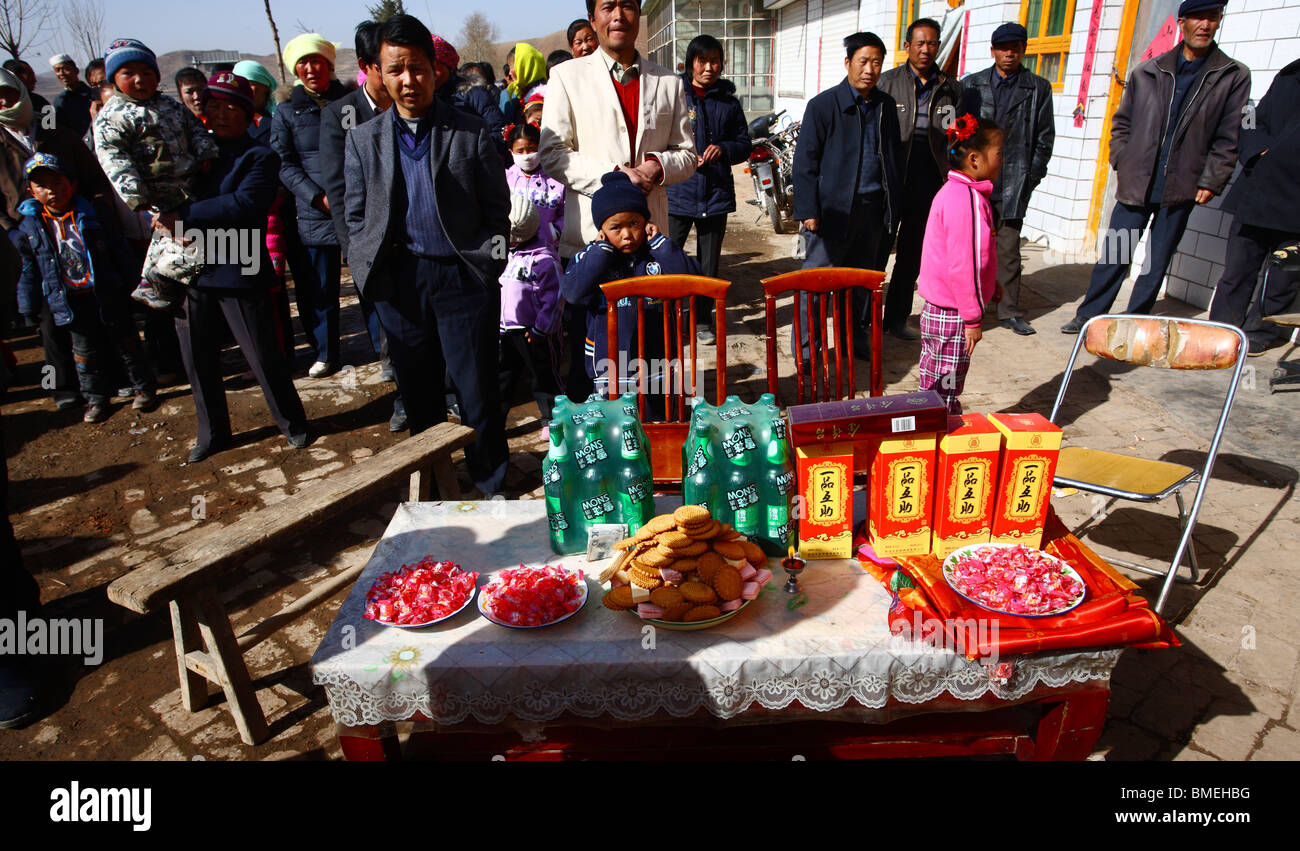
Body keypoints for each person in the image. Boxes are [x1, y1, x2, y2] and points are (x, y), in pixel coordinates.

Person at [343, 13, 511, 495]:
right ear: (377, 71)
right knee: (419, 396)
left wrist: (488, 267)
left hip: (463, 280)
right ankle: (433, 488)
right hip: (401, 284)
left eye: (417, 67)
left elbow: (497, 211)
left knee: (477, 391)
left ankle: (490, 483)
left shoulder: (470, 131)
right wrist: (368, 274)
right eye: (396, 69)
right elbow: (356, 219)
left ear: (434, 69)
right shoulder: (364, 141)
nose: (408, 80)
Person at [540, 0, 696, 402]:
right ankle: (595, 448)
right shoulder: (566, 77)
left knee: (654, 361)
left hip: (649, 247)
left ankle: (655, 439)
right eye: (608, 6)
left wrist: (656, 166)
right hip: (593, 243)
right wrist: (613, 177)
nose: (618, 16)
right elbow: (553, 152)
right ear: (593, 17)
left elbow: (687, 152)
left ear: (639, 14)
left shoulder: (667, 81)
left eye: (627, 5)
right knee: (591, 364)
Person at [1062, 0, 1249, 333]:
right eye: (1197, 18)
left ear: (1219, 21)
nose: (1205, 25)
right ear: (1182, 22)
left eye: (1212, 17)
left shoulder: (1230, 76)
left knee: (1157, 260)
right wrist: (1122, 157)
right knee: (1115, 253)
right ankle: (1090, 313)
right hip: (1136, 181)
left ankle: (1137, 319)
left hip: (1182, 183)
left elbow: (1228, 135)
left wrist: (1213, 178)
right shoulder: (1148, 70)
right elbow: (1121, 123)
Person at [173, 71, 308, 463]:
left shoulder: (260, 156)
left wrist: (181, 214)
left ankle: (291, 422)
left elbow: (244, 205)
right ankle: (211, 432)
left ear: (248, 114)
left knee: (262, 354)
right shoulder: (194, 155)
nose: (220, 113)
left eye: (231, 107)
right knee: (197, 358)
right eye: (213, 105)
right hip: (192, 263)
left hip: (240, 257)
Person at [2, 66, 122, 409]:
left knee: (94, 313)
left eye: (9, 95)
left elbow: (95, 177)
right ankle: (61, 388)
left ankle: (109, 380)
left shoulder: (56, 131)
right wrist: (11, 230)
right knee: (48, 323)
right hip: (31, 239)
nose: (4, 103)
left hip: (75, 232)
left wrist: (97, 211)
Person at [13, 153, 156, 422]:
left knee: (127, 343)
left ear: (73, 183)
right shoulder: (31, 227)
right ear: (30, 191)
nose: (52, 190)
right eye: (41, 185)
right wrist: (27, 306)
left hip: (105, 292)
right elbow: (29, 270)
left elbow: (119, 251)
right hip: (69, 300)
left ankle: (143, 387)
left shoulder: (93, 215)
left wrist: (136, 285)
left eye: (58, 182)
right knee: (84, 353)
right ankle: (96, 399)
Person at [791, 31, 902, 359]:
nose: (870, 69)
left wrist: (893, 207)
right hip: (832, 212)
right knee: (815, 285)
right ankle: (808, 352)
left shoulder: (885, 107)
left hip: (872, 210)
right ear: (848, 63)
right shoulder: (824, 105)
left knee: (860, 285)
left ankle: (854, 341)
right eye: (863, 61)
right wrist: (808, 209)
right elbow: (805, 162)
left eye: (877, 62)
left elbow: (893, 157)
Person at [93, 38, 220, 310]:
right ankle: (161, 280)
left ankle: (150, 282)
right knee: (183, 241)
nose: (140, 80)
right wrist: (137, 196)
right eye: (129, 74)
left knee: (172, 239)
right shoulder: (112, 117)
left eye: (147, 73)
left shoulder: (170, 106)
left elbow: (195, 128)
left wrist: (206, 151)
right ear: (114, 78)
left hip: (189, 183)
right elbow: (114, 159)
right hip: (157, 190)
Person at [319, 20, 403, 430]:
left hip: (418, 238)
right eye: (389, 66)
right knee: (392, 322)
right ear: (370, 66)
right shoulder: (342, 115)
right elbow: (339, 191)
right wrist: (354, 248)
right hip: (374, 240)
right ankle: (405, 396)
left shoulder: (414, 104)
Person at [561, 171, 699, 400]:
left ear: (646, 221)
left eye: (634, 223)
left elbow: (693, 281)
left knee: (656, 418)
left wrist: (660, 244)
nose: (627, 234)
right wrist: (599, 253)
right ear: (602, 230)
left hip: (656, 361)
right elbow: (573, 293)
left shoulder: (656, 255)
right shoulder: (591, 257)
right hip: (608, 364)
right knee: (613, 425)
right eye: (616, 227)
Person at [960, 23, 1054, 336]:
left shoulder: (1038, 88)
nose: (1009, 53)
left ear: (1024, 50)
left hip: (1012, 182)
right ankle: (966, 305)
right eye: (1003, 47)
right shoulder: (972, 86)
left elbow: (1044, 138)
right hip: (976, 182)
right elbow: (957, 132)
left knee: (1009, 252)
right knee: (969, 248)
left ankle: (1009, 311)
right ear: (993, 51)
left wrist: (1030, 176)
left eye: (1015, 47)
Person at [878, 18, 964, 341]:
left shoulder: (951, 89)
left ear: (938, 46)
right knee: (878, 252)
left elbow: (956, 137)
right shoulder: (888, 83)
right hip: (891, 181)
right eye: (919, 43)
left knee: (912, 255)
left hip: (929, 184)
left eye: (932, 43)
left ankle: (896, 319)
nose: (926, 49)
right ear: (907, 46)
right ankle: (866, 321)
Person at [1208, 56, 1300, 355]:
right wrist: (1257, 152)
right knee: (1237, 269)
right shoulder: (1290, 76)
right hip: (1259, 190)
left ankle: (1261, 331)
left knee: (1284, 277)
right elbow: (1252, 119)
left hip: (1296, 201)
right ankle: (1221, 329)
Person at [666, 34, 751, 345]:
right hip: (678, 192)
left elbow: (744, 144)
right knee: (668, 258)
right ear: (691, 64)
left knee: (708, 265)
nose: (709, 67)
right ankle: (668, 318)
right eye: (703, 61)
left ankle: (702, 320)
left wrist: (724, 149)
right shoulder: (674, 96)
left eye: (715, 60)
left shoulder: (728, 103)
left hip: (715, 194)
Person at [272, 32, 348, 377]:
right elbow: (284, 163)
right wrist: (317, 196)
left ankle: (383, 349)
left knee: (371, 281)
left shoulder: (350, 102)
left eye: (317, 60)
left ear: (329, 64)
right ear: (295, 70)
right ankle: (325, 351)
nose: (311, 68)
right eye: (303, 62)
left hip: (354, 206)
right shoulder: (286, 112)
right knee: (319, 288)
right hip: (314, 211)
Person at [916, 114, 1003, 414]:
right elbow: (965, 265)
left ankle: (929, 424)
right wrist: (973, 318)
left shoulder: (954, 192)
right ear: (975, 159)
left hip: (938, 311)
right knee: (947, 385)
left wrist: (994, 285)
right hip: (954, 316)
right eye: (999, 153)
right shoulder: (966, 199)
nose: (1002, 159)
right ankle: (939, 437)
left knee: (933, 378)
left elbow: (977, 260)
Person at [500, 122, 565, 423]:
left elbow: (567, 213)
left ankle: (550, 418)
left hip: (542, 248)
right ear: (511, 151)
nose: (527, 155)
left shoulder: (554, 179)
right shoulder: (505, 180)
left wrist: (554, 229)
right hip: (511, 257)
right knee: (506, 368)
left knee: (543, 367)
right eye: (520, 150)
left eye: (531, 149)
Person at [50, 53, 96, 138]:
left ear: (76, 70)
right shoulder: (59, 101)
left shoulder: (93, 94)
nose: (62, 73)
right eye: (58, 70)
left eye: (66, 69)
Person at [232, 60, 278, 143]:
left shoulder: (282, 117)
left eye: (249, 85)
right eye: (239, 86)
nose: (244, 91)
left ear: (266, 86)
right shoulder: (230, 121)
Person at [502, 42, 546, 125]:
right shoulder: (524, 95)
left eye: (512, 67)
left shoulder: (538, 101)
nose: (510, 73)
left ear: (524, 68)